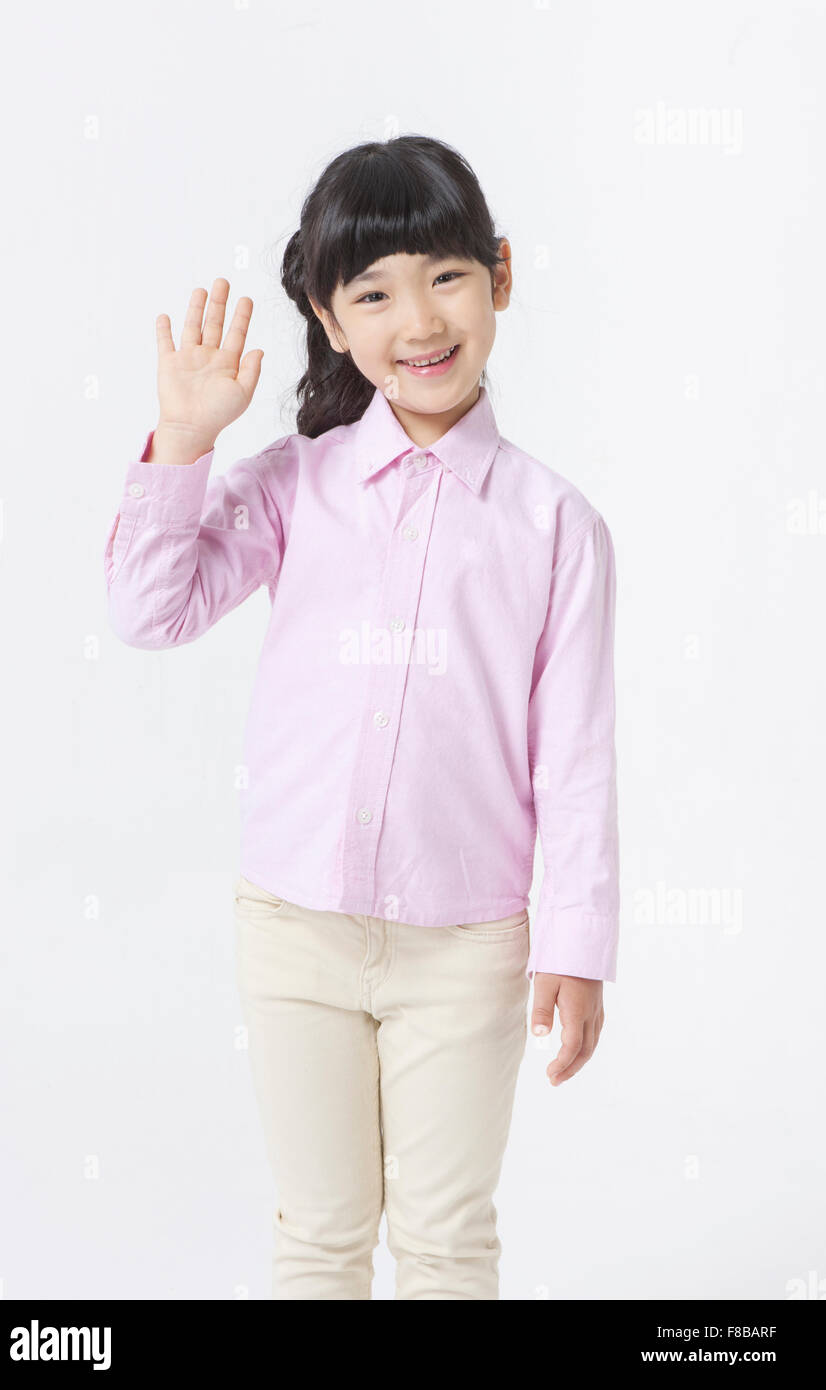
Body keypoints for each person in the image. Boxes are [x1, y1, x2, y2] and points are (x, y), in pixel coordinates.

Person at [104, 134, 620, 1300]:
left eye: (444, 275)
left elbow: (575, 758)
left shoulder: (553, 526)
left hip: (468, 945)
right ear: (330, 323)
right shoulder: (296, 482)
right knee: (321, 1236)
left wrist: (578, 946)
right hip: (294, 931)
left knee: (443, 1242)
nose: (418, 318)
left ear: (498, 272)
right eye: (372, 293)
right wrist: (186, 441)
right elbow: (151, 610)